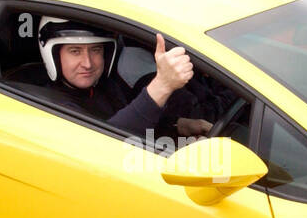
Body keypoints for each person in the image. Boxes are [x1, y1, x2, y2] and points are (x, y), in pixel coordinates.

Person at [38, 17, 212, 138]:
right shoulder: (49, 108)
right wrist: (162, 85)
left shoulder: (106, 87)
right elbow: (106, 143)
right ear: (53, 55)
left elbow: (135, 124)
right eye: (75, 51)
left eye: (96, 50)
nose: (88, 63)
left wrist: (178, 126)